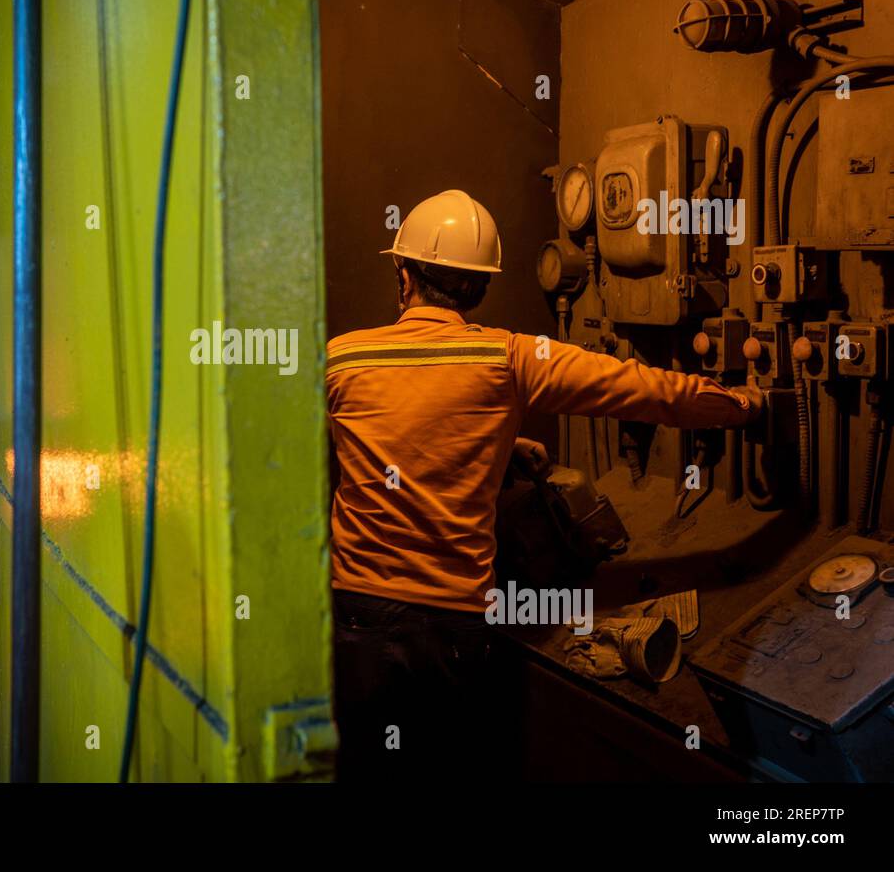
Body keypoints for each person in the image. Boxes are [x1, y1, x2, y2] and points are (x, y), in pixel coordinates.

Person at [325, 188, 763, 780]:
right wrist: (740, 404)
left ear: (403, 273)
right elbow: (646, 389)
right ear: (479, 288)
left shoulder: (342, 360)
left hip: (355, 617)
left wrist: (500, 447)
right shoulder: (510, 358)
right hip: (454, 628)